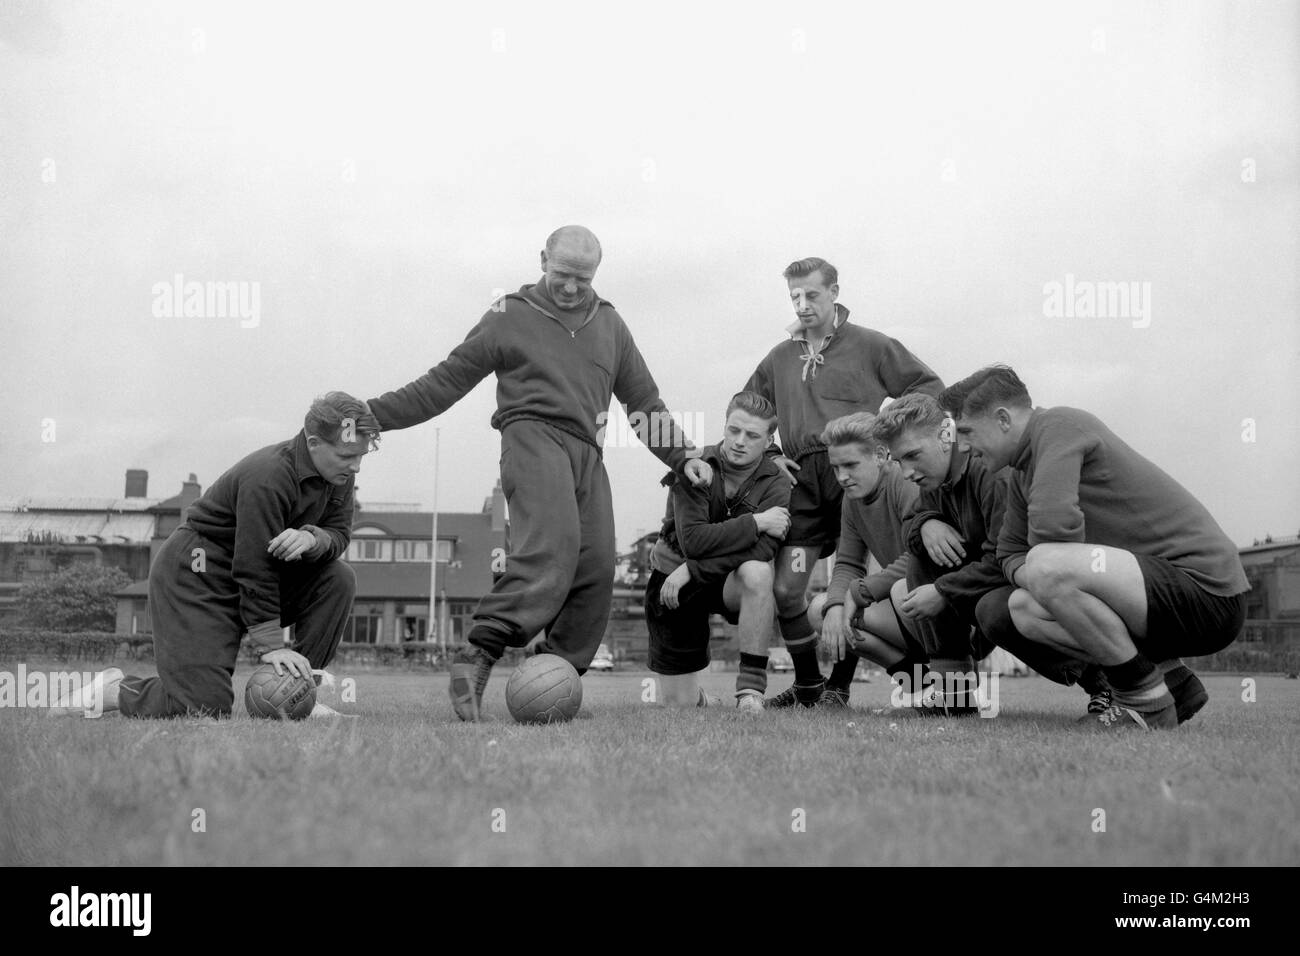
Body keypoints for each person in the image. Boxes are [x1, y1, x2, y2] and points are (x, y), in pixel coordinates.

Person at [364, 226, 711, 721]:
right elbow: (444, 382)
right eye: (562, 274)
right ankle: (477, 655)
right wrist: (375, 414)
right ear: (542, 258)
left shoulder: (611, 325)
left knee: (594, 568)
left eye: (583, 278)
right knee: (554, 545)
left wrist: (683, 455)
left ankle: (554, 679)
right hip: (531, 436)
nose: (571, 287)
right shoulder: (508, 315)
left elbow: (643, 403)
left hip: (588, 451)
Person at [948, 365, 1249, 730]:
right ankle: (1171, 682)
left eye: (965, 431)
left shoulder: (1059, 426)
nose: (962, 447)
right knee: (1017, 607)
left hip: (1207, 593)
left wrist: (1043, 573)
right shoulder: (1021, 473)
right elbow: (1008, 553)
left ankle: (1145, 702)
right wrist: (1039, 575)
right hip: (1152, 598)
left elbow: (1053, 531)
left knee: (1045, 565)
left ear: (1002, 419)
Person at [52, 393, 377, 718]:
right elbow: (254, 565)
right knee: (204, 708)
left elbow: (338, 534)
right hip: (196, 579)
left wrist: (312, 538)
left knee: (338, 578)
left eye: (362, 455)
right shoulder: (268, 476)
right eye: (347, 455)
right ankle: (112, 690)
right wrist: (272, 646)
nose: (356, 465)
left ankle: (300, 693)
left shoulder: (341, 477)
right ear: (315, 442)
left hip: (253, 578)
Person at [744, 257, 943, 707]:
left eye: (812, 294)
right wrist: (772, 453)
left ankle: (839, 688)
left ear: (834, 290)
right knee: (787, 587)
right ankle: (810, 683)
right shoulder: (779, 356)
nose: (803, 304)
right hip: (804, 477)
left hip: (861, 473)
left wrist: (889, 434)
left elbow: (928, 386)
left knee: (860, 578)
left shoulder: (872, 345)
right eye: (794, 296)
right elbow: (749, 407)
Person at [644, 392, 791, 712]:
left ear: (768, 441)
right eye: (733, 430)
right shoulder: (695, 463)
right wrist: (756, 521)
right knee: (677, 705)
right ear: (725, 426)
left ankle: (751, 690)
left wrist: (694, 569)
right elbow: (694, 541)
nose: (739, 441)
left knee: (759, 571)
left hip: (724, 581)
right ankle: (697, 696)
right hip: (672, 578)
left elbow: (765, 548)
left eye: (752, 435)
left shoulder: (777, 482)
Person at [802, 412, 930, 710]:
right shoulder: (852, 498)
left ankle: (953, 683)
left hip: (941, 606)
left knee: (901, 590)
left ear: (882, 455)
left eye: (850, 465)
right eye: (835, 467)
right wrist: (836, 604)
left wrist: (858, 593)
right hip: (903, 606)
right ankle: (917, 681)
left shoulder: (905, 482)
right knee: (820, 611)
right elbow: (847, 562)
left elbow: (919, 557)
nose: (841, 477)